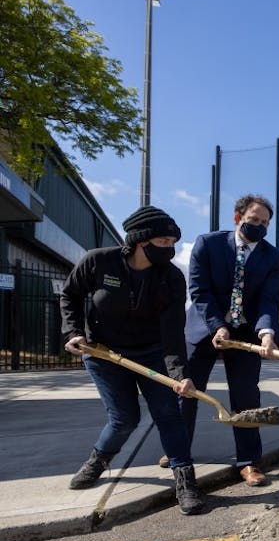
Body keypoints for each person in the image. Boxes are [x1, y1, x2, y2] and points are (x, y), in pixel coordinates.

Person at [60, 206, 206, 515]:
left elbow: (173, 331)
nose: (170, 248)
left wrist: (180, 374)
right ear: (141, 241)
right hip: (104, 353)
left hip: (152, 353)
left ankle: (186, 481)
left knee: (169, 413)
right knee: (125, 418)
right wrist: (73, 332)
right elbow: (70, 295)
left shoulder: (171, 278)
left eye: (173, 242)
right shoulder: (99, 261)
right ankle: (98, 460)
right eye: (163, 241)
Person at [176, 194, 279, 487]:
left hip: (246, 332)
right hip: (205, 327)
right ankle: (177, 451)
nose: (260, 226)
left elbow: (269, 300)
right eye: (254, 220)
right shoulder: (208, 244)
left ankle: (249, 462)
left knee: (247, 396)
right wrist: (218, 326)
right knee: (188, 391)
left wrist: (267, 332)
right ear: (238, 218)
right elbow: (199, 291)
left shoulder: (273, 257)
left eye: (265, 223)